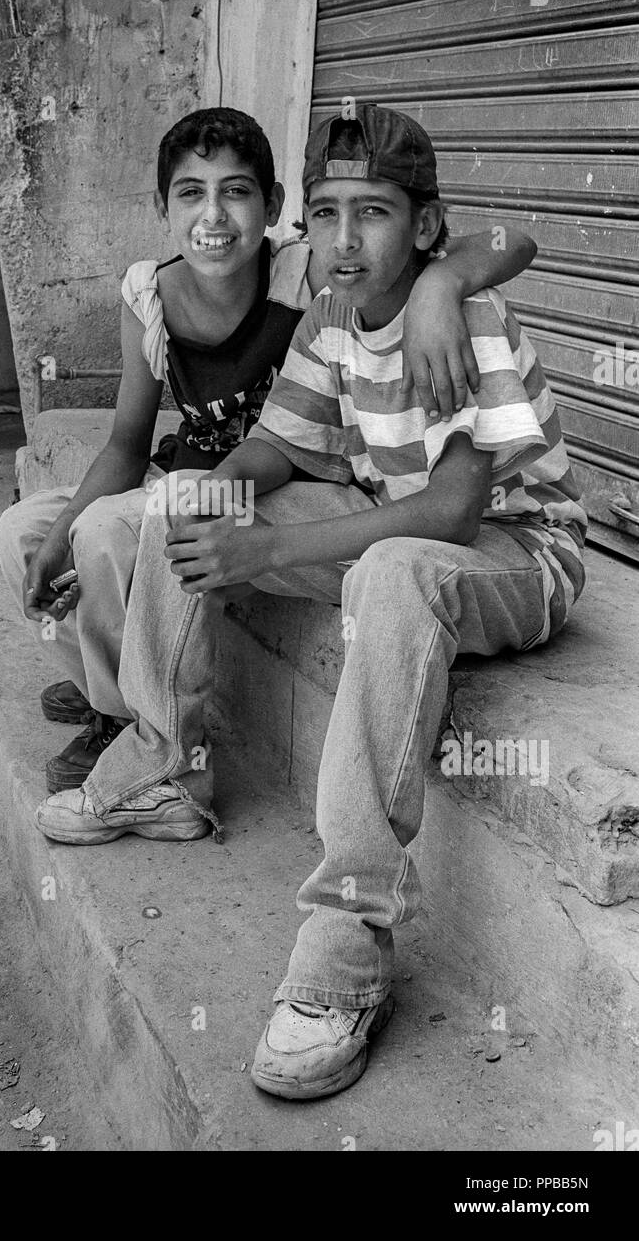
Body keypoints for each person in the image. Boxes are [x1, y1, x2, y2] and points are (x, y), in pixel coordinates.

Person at [33, 101, 586, 1100]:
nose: (340, 238)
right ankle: (165, 767)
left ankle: (346, 942)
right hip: (385, 514)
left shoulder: (467, 316)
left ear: (423, 228)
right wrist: (221, 489)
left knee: (390, 571)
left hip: (513, 550)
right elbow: (283, 441)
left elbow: (454, 512)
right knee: (188, 490)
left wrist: (271, 547)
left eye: (369, 214)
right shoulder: (330, 316)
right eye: (325, 213)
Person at [0, 106, 537, 793]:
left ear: (274, 209)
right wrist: (194, 502)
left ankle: (140, 724)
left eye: (237, 192)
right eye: (191, 193)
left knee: (117, 531)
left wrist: (441, 282)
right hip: (284, 486)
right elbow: (185, 445)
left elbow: (506, 242)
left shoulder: (322, 279)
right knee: (90, 522)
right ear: (163, 208)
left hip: (446, 527)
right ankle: (140, 736)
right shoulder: (183, 300)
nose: (214, 216)